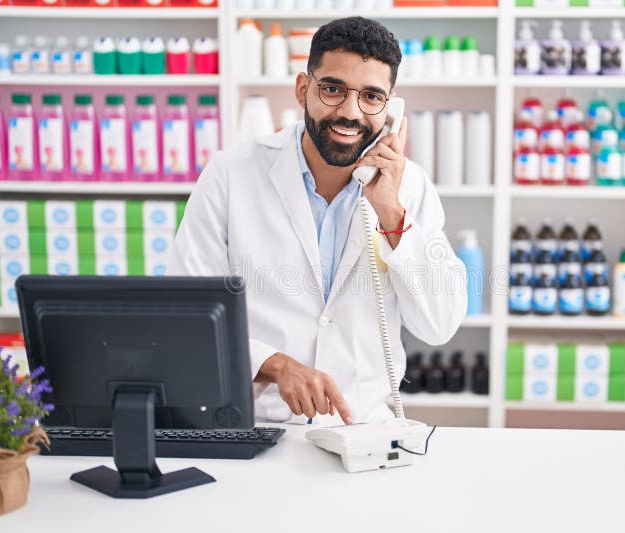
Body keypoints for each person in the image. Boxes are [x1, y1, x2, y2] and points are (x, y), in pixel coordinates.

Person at [167, 17, 467, 425]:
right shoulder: (231, 173)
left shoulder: (408, 188)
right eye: (332, 89)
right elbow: (187, 311)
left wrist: (391, 214)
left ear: (390, 107)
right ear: (303, 89)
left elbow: (439, 325)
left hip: (363, 429)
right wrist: (273, 363)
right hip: (256, 423)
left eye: (372, 97)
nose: (350, 112)